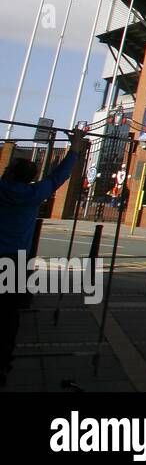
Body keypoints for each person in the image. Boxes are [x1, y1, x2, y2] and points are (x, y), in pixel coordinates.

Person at [1, 135, 82, 388]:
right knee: (8, 315)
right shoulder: (35, 193)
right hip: (14, 261)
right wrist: (75, 148)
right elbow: (58, 177)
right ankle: (3, 364)